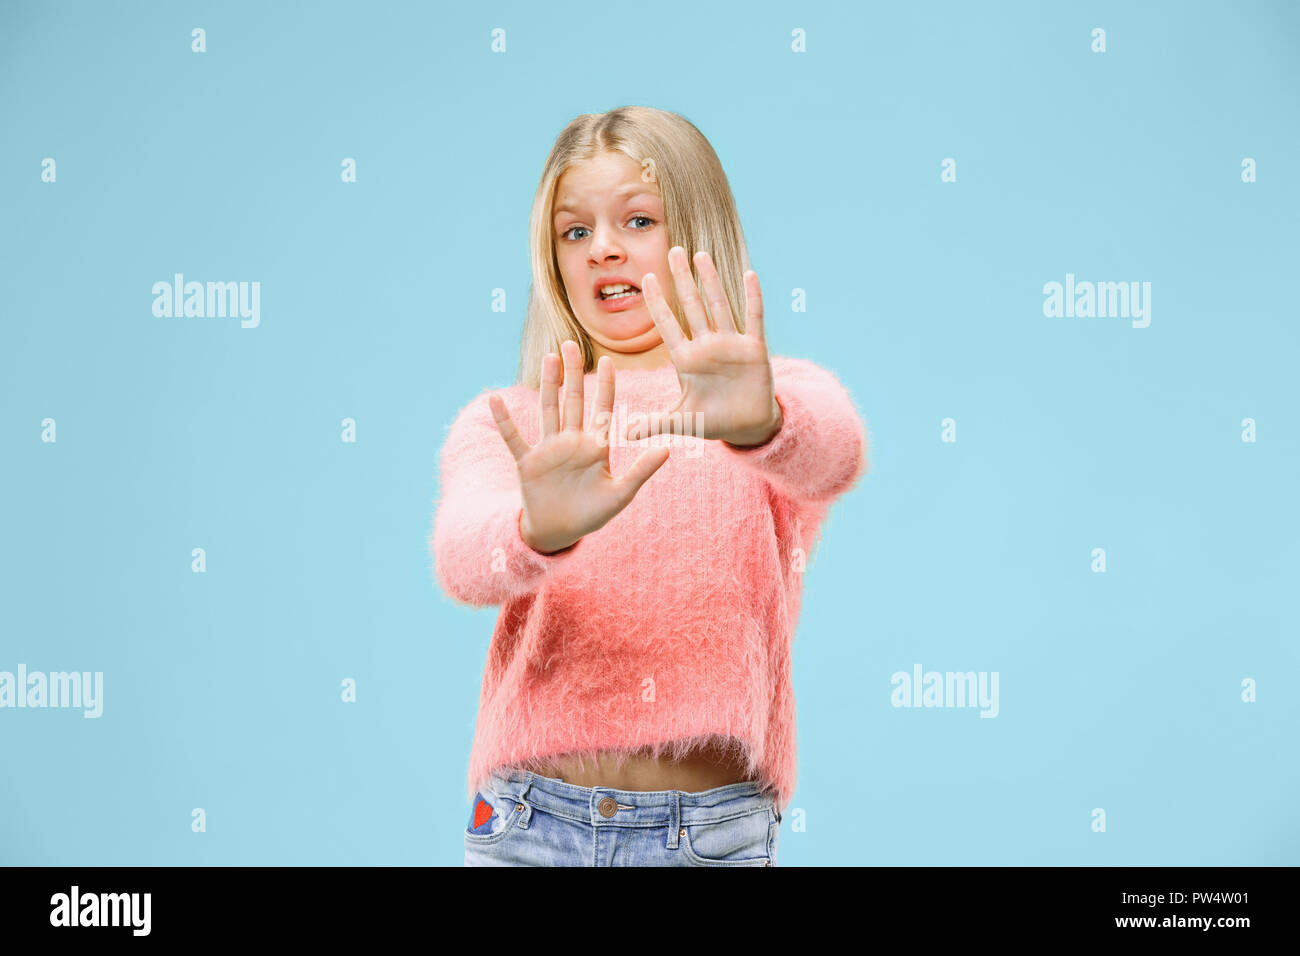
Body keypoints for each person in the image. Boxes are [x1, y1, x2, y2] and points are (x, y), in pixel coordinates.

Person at [431, 106, 869, 865]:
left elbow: (835, 453)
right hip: (530, 827)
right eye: (575, 232)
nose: (602, 249)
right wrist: (537, 530)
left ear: (696, 233)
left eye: (637, 220)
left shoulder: (769, 400)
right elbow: (463, 560)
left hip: (708, 834)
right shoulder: (515, 422)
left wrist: (761, 420)